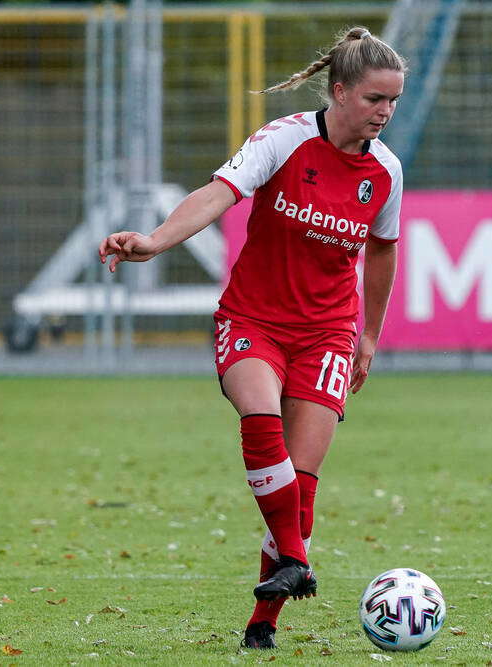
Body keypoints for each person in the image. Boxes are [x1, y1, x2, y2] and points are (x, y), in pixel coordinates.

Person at [97, 26, 406, 651]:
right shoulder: (285, 138)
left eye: (393, 100)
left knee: (304, 480)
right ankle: (296, 557)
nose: (385, 112)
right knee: (260, 413)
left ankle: (261, 626)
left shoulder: (386, 171)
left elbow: (381, 253)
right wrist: (155, 240)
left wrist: (368, 337)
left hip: (326, 334)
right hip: (254, 319)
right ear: (340, 91)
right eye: (375, 98)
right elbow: (219, 193)